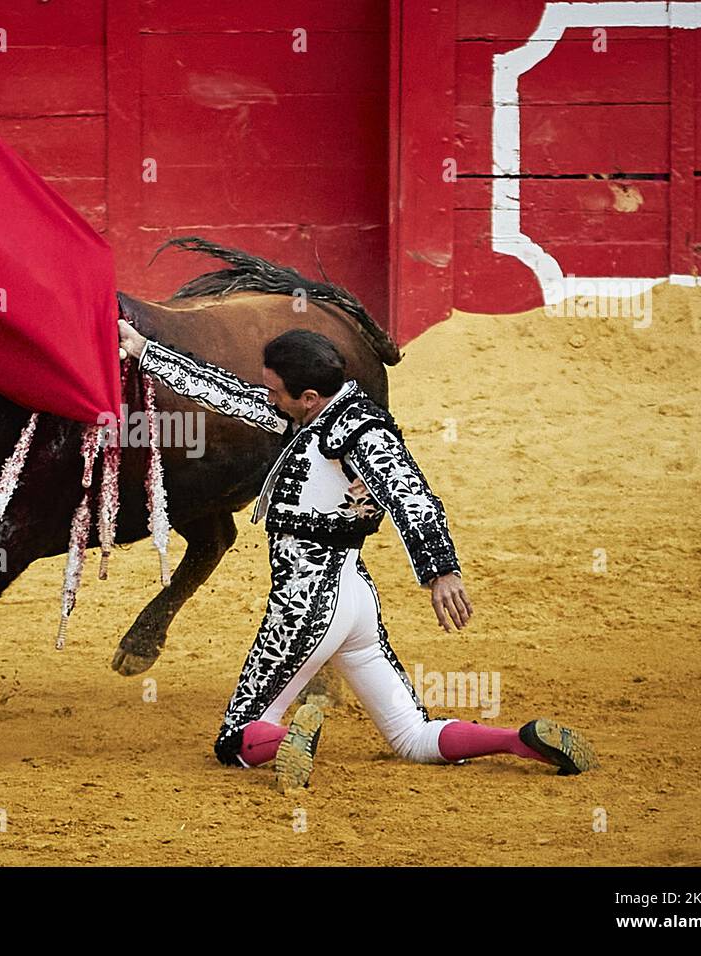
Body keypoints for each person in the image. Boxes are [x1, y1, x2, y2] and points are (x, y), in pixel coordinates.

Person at [119, 320, 597, 792]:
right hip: (354, 601)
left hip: (305, 605)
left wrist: (441, 571)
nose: (267, 398)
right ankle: (518, 740)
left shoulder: (357, 430)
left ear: (308, 396)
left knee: (236, 738)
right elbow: (228, 395)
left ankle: (288, 741)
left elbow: (411, 493)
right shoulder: (317, 413)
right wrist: (145, 351)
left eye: (275, 391)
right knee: (411, 735)